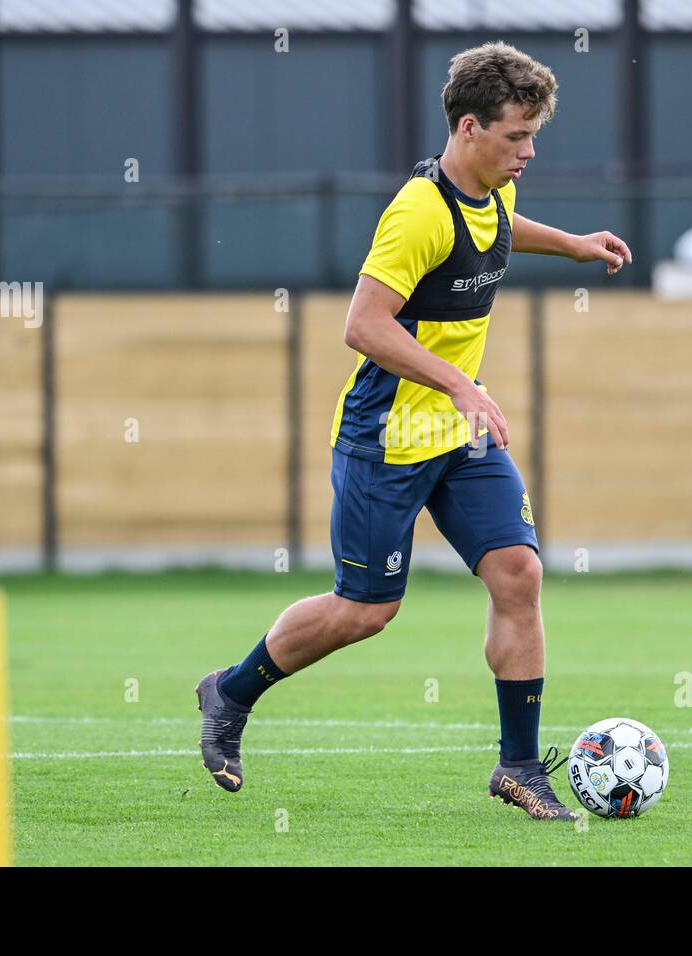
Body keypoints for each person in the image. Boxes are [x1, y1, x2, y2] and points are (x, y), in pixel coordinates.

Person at [196, 40, 631, 820]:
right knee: (365, 611)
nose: (528, 152)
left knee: (519, 575)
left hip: (461, 433)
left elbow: (497, 225)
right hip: (388, 436)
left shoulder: (487, 189)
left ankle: (520, 768)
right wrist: (460, 380)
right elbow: (363, 326)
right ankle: (229, 693)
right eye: (516, 136)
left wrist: (570, 244)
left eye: (534, 136)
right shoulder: (416, 212)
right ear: (469, 128)